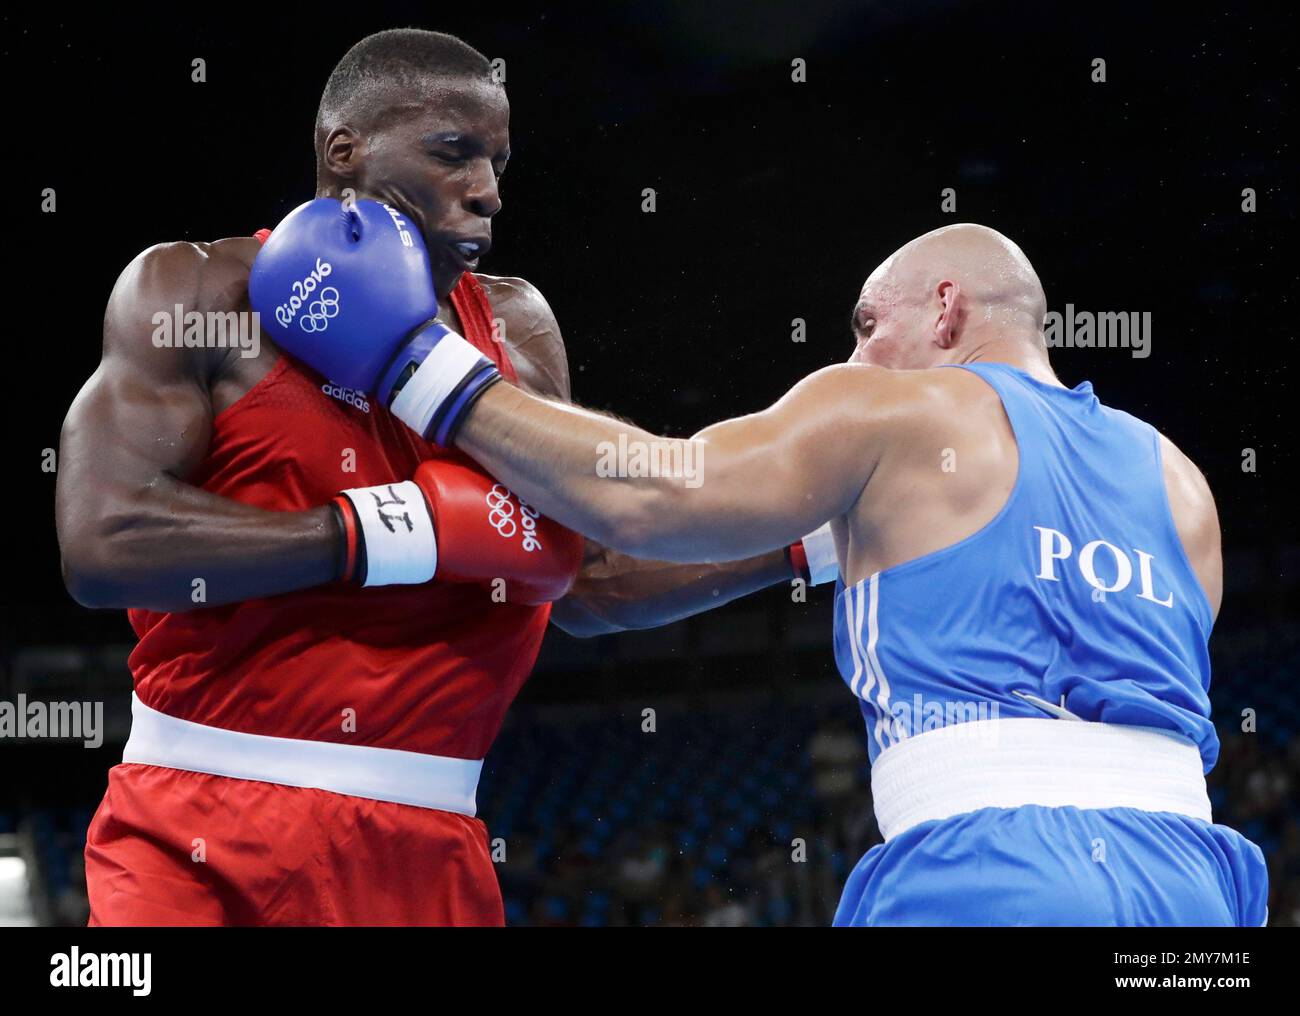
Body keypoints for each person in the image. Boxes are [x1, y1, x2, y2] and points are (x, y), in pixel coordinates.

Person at [260, 214, 1268, 924]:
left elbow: (648, 492)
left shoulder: (896, 410)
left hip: (993, 869)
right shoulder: (1177, 481)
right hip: (1196, 890)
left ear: (947, 309)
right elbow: (612, 587)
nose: (858, 353)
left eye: (870, 323)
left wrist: (413, 361)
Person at [55, 29, 806, 926]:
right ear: (347, 152)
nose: (487, 188)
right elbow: (104, 541)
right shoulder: (200, 290)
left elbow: (588, 574)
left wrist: (808, 543)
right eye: (453, 152)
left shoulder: (515, 327)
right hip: (196, 829)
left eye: (498, 159)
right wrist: (376, 534)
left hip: (431, 848)